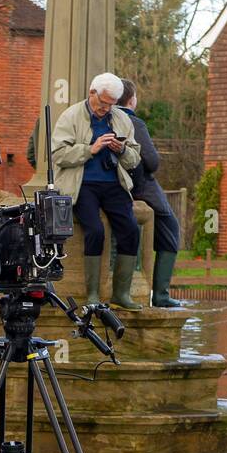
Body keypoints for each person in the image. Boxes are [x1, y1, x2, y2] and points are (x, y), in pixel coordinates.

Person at [50, 71, 142, 310]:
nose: (106, 109)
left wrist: (120, 149)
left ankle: (121, 293)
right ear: (92, 93)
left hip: (113, 184)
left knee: (131, 229)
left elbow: (134, 160)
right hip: (82, 184)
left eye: (111, 105)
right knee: (95, 230)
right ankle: (92, 293)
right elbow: (58, 155)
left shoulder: (121, 118)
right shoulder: (70, 116)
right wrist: (90, 149)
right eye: (103, 103)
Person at [119, 79, 182, 308]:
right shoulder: (135, 123)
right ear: (131, 99)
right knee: (171, 228)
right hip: (142, 188)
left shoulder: (102, 119)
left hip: (114, 186)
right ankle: (162, 295)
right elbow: (152, 161)